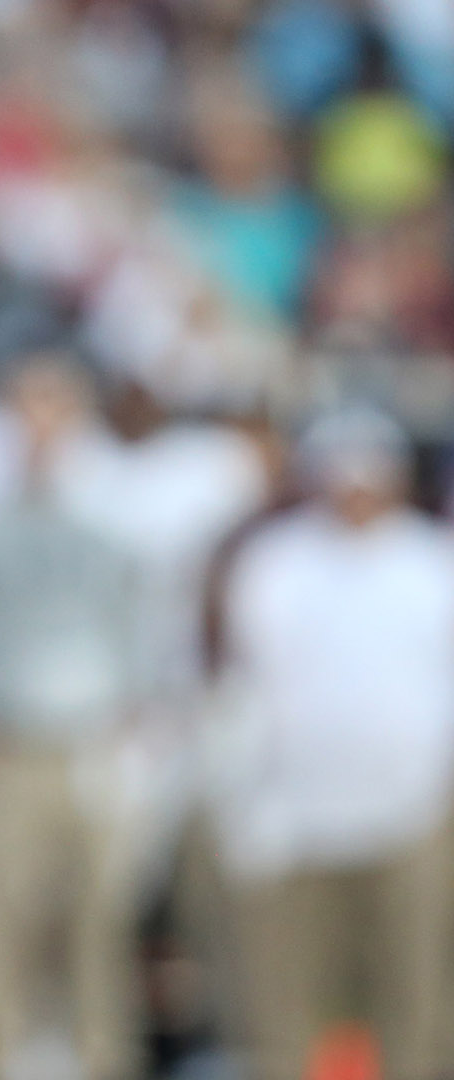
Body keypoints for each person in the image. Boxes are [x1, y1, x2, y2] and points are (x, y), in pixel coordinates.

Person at [209, 407, 454, 1080]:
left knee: (415, 998)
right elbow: (246, 687)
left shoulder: (432, 564)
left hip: (412, 819)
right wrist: (245, 802)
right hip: (299, 823)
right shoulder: (274, 563)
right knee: (290, 1004)